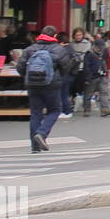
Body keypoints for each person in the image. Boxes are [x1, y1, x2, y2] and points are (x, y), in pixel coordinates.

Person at [17, 25, 74, 153]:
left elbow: (20, 67)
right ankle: (42, 134)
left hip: (32, 85)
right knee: (54, 110)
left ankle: (35, 147)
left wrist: (28, 78)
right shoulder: (60, 50)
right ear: (54, 36)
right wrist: (59, 78)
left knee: (35, 113)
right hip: (51, 85)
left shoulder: (30, 49)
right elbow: (66, 68)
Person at [80, 39, 110, 116]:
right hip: (92, 76)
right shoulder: (89, 54)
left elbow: (106, 58)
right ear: (94, 46)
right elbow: (86, 66)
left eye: (102, 47)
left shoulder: (103, 52)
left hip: (101, 75)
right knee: (88, 93)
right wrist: (88, 77)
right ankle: (87, 109)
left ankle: (104, 109)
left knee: (104, 92)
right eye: (99, 47)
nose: (100, 49)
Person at [66, 28, 91, 116]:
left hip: (82, 68)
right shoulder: (71, 44)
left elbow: (84, 54)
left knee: (81, 86)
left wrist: (76, 56)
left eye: (80, 35)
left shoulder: (87, 43)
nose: (78, 37)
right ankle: (73, 101)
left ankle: (83, 104)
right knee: (72, 86)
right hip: (72, 68)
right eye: (76, 35)